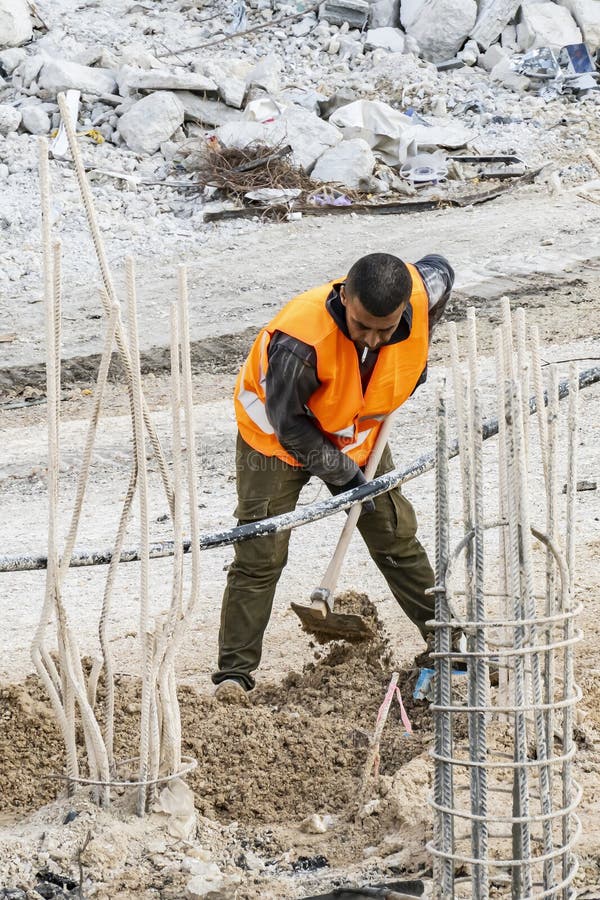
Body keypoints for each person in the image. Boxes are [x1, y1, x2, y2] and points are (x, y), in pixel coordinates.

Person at [212, 252, 454, 702]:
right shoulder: (300, 341)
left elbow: (442, 269)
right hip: (276, 444)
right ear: (345, 297)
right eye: (363, 326)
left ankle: (454, 650)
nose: (374, 338)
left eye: (387, 328)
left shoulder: (421, 296)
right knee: (259, 551)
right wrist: (347, 478)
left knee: (395, 536)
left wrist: (419, 354)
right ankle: (234, 676)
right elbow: (289, 425)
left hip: (356, 434)